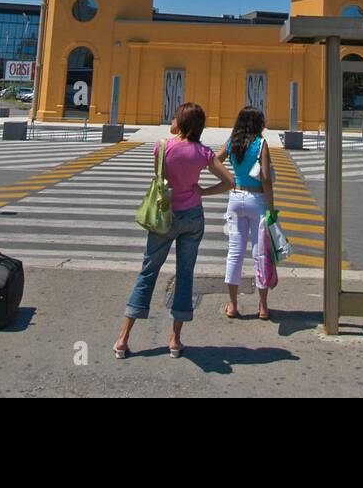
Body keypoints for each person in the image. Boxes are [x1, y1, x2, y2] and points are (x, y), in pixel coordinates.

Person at [115, 103, 234, 359]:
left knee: (148, 271)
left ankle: (123, 339)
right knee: (185, 275)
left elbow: (160, 177)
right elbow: (229, 182)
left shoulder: (162, 146)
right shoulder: (203, 152)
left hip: (164, 216)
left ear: (180, 123)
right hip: (192, 216)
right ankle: (175, 339)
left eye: (175, 117)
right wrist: (202, 191)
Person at [217, 107, 276, 320]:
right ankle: (263, 307)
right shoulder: (261, 144)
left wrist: (230, 180)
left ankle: (232, 305)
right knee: (260, 254)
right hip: (256, 200)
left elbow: (214, 161)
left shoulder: (233, 142)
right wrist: (271, 206)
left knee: (235, 252)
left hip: (235, 199)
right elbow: (267, 178)